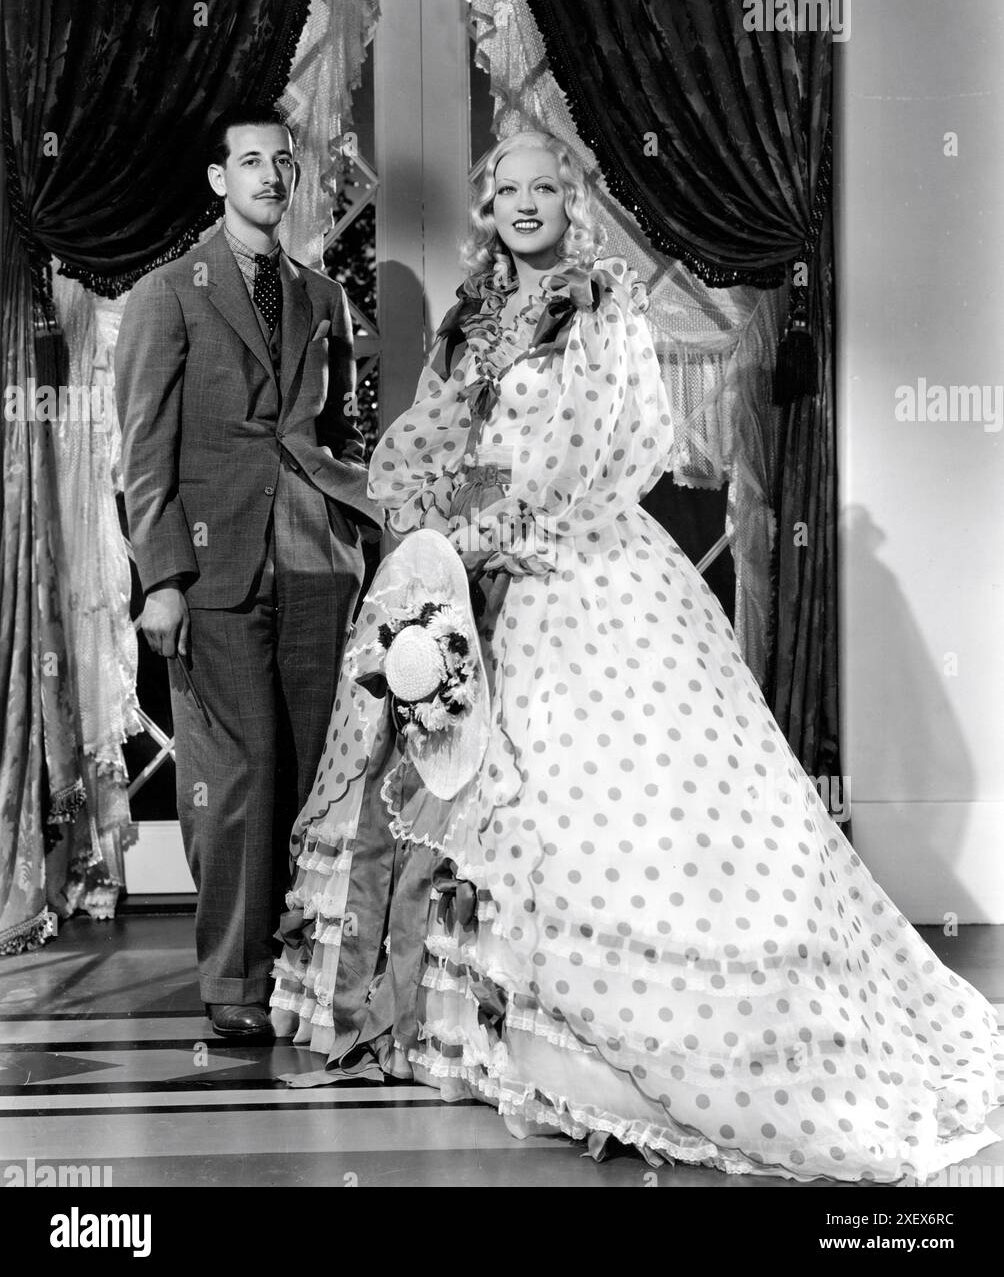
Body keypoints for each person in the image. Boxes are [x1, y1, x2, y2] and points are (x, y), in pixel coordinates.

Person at [270, 129, 1004, 1181]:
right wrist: (436, 512)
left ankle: (612, 1057)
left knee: (616, 797)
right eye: (504, 192)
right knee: (480, 788)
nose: (522, 206)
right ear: (484, 210)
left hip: (585, 568)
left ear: (569, 200)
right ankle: (484, 1038)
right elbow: (436, 441)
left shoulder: (602, 301)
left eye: (540, 189)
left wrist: (516, 523)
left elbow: (619, 439)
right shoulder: (472, 316)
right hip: (490, 570)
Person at [115, 106, 383, 1040]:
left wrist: (369, 529)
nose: (272, 175)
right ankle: (235, 986)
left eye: (284, 161)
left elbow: (343, 436)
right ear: (218, 180)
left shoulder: (322, 297)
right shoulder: (167, 294)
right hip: (208, 565)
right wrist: (161, 579)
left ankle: (310, 977)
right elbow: (144, 451)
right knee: (233, 783)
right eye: (251, 162)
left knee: (316, 775)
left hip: (317, 564)